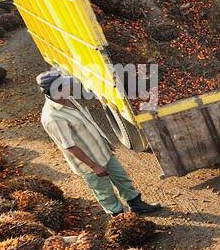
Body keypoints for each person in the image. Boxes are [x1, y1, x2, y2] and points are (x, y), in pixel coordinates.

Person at [36, 69, 163, 218]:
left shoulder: (68, 98)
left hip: (102, 152)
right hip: (89, 163)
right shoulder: (52, 117)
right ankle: (119, 218)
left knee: (122, 179)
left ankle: (137, 205)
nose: (70, 86)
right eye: (65, 84)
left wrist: (105, 144)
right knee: (104, 192)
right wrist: (94, 166)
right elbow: (70, 146)